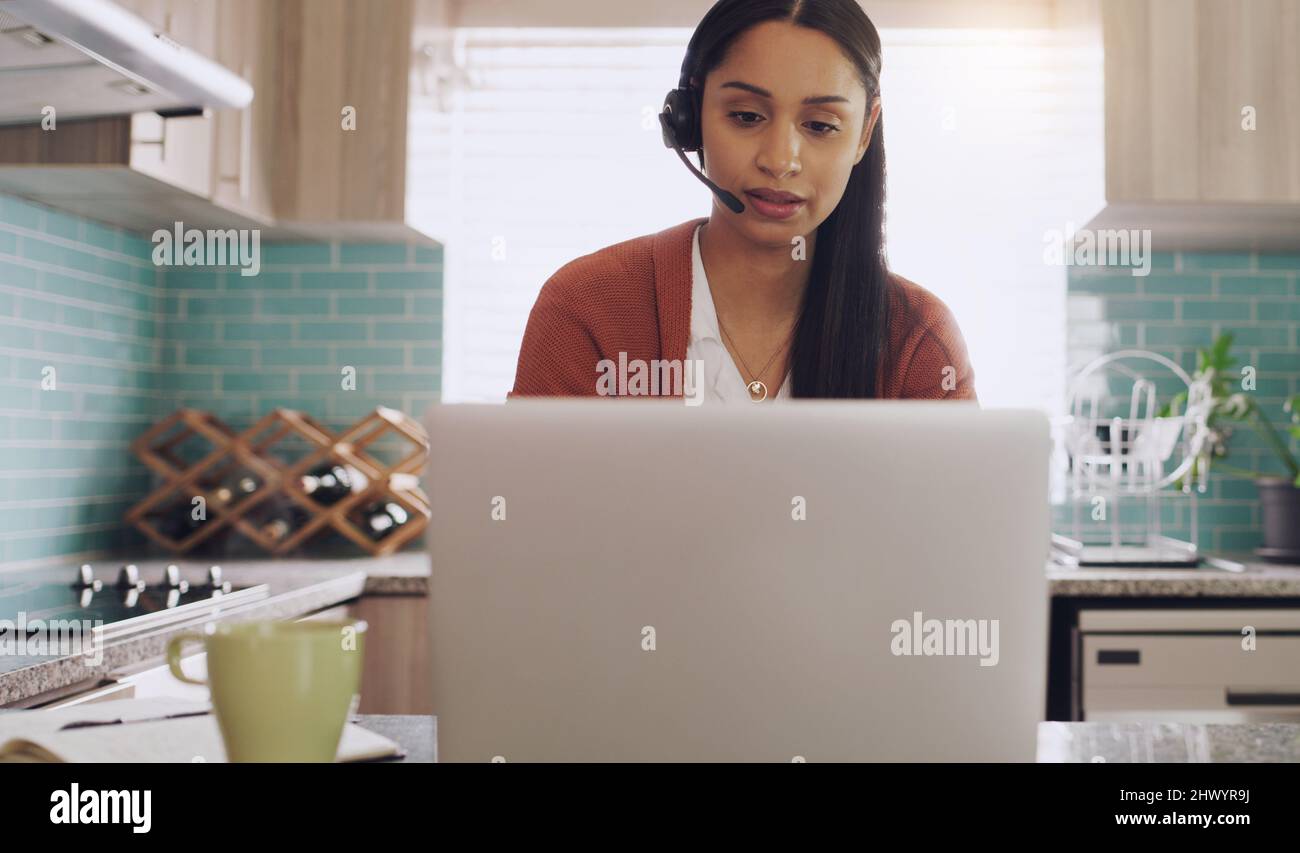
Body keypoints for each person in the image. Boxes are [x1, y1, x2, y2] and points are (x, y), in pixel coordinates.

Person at [510, 0, 976, 404]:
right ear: (690, 118)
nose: (779, 161)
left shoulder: (918, 341)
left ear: (863, 134)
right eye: (747, 116)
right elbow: (528, 500)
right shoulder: (588, 309)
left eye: (820, 125)